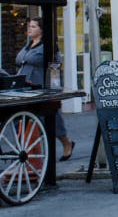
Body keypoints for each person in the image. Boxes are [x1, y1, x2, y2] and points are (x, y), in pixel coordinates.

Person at [15, 17, 75, 161]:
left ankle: (66, 142)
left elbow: (55, 65)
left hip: (39, 84)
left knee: (50, 117)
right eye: (29, 26)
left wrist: (53, 88)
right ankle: (28, 150)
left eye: (34, 26)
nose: (29, 29)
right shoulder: (28, 45)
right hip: (23, 86)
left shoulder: (48, 46)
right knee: (22, 117)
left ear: (41, 29)